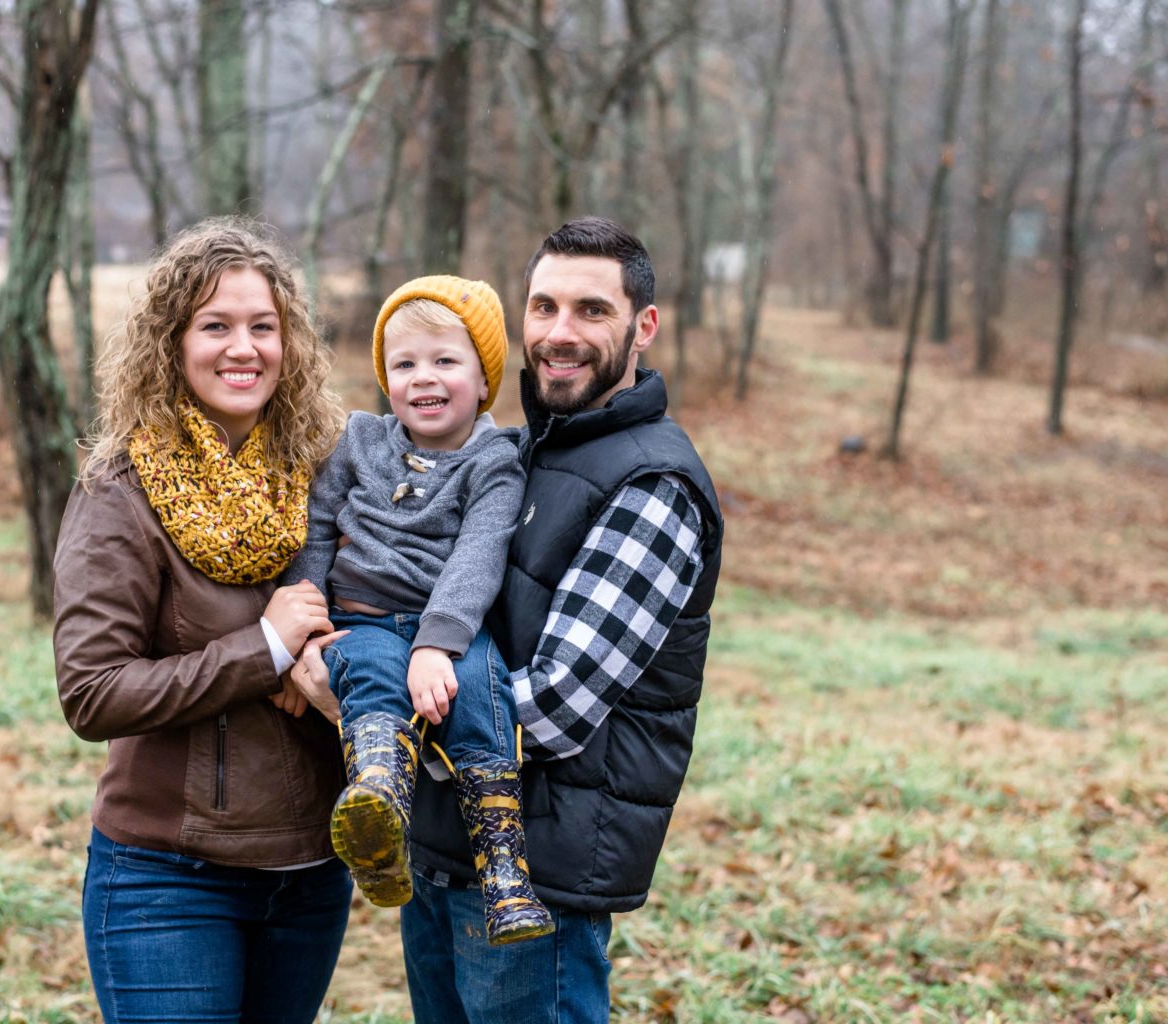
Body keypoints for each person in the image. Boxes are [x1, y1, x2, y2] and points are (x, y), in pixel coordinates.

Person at [294, 217, 724, 1023]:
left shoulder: (651, 486)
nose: (560, 333)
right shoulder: (522, 451)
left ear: (645, 326)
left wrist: (365, 715)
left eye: (592, 310)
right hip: (445, 851)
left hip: (540, 880)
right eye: (544, 307)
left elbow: (554, 711)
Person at [52, 217, 351, 1024]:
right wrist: (264, 648)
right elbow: (91, 692)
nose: (242, 348)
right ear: (172, 344)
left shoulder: (326, 469)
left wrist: (336, 666)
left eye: (263, 326)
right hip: (167, 880)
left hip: (312, 873)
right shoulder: (121, 489)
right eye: (215, 326)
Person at [281, 275, 552, 945]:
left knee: (481, 697)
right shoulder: (359, 439)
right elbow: (317, 525)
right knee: (371, 681)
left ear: (485, 378)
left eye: (444, 361)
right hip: (364, 617)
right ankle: (380, 813)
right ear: (385, 378)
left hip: (452, 627)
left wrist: (437, 642)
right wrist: (309, 618)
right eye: (403, 365)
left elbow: (480, 552)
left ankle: (503, 870)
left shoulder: (495, 459)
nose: (421, 379)